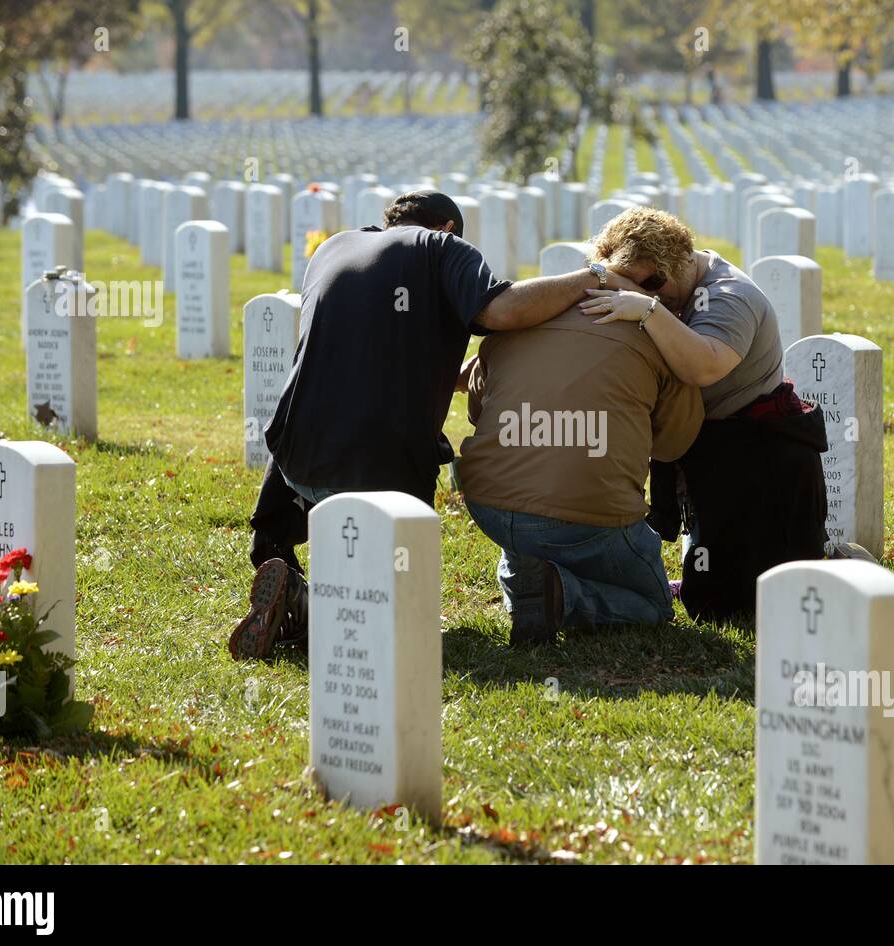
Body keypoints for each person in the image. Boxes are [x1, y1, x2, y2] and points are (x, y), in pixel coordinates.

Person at [230, 190, 612, 659]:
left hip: (295, 457)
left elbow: (364, 353)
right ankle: (311, 604)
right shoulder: (441, 247)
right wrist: (593, 275)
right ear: (448, 227)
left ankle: (290, 579)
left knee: (366, 585)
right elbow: (503, 309)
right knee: (393, 612)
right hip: (378, 469)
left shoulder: (332, 247)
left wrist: (449, 376)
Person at [578, 207, 829, 623]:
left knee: (743, 603)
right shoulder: (665, 290)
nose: (651, 293)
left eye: (655, 283)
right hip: (706, 456)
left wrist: (646, 310)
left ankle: (842, 566)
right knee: (707, 589)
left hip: (762, 460)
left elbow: (706, 366)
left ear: (681, 261)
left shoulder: (731, 295)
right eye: (635, 285)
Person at [458, 305, 703, 646]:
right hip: (593, 517)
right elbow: (673, 444)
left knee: (531, 517)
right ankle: (559, 593)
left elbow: (477, 413)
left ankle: (526, 561)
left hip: (491, 507)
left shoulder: (514, 322)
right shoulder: (662, 341)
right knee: (655, 607)